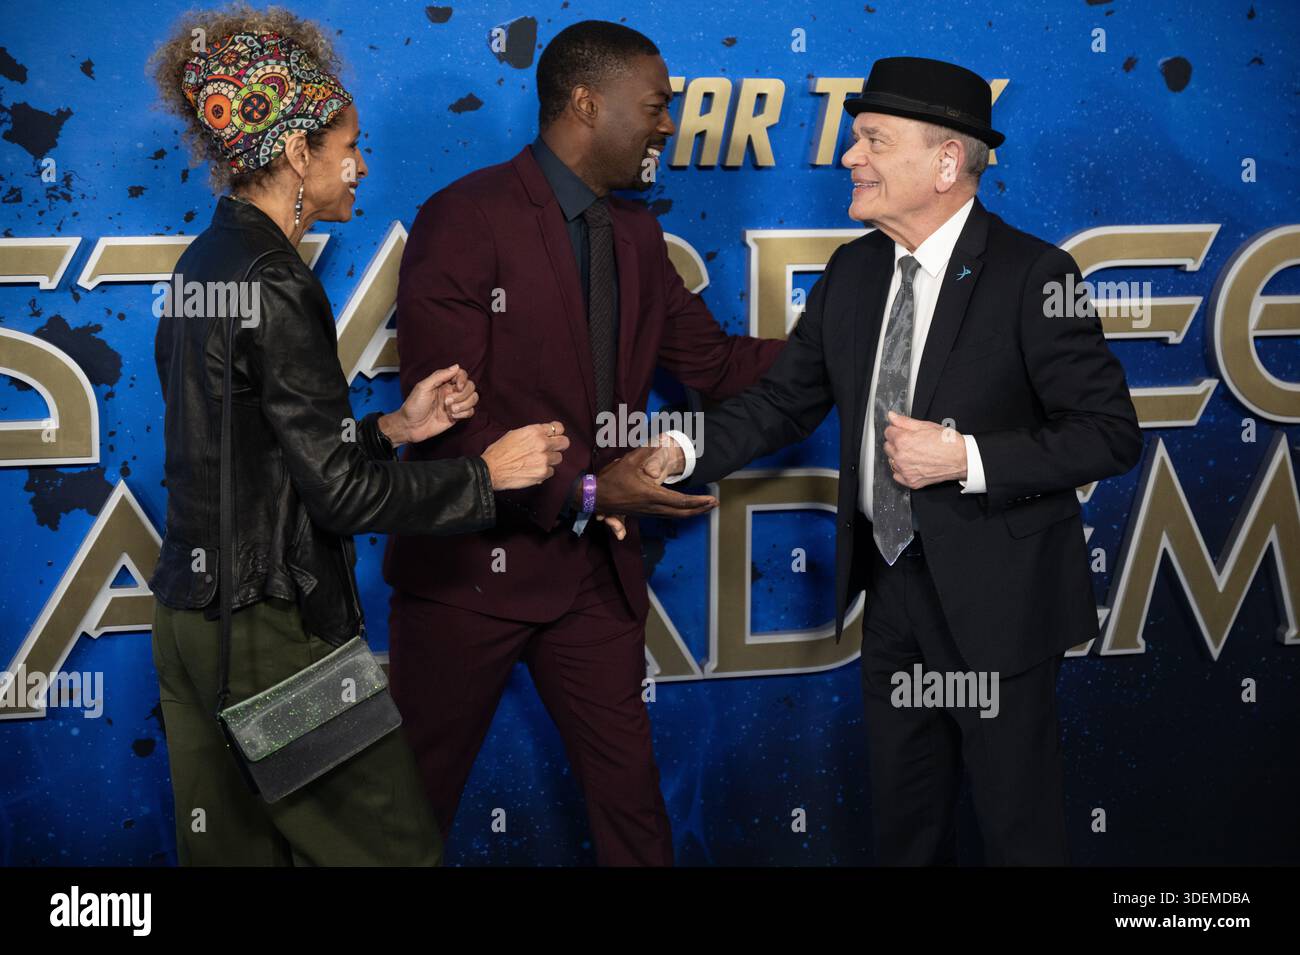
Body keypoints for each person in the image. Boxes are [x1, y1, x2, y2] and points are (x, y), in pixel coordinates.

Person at [637, 56, 1144, 864]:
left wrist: (965, 457)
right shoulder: (855, 270)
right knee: (907, 827)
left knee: (1018, 831)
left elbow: (1109, 433)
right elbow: (783, 402)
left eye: (873, 139)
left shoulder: (1034, 276)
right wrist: (679, 449)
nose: (850, 157)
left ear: (946, 162)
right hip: (892, 589)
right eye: (856, 139)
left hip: (1001, 603)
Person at [146, 5, 566, 866]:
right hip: (276, 642)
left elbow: (263, 456)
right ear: (299, 152)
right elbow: (339, 497)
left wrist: (393, 427)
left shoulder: (207, 263)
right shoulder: (277, 280)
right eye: (349, 146)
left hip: (190, 625)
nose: (362, 164)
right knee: (392, 853)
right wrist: (485, 476)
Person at [385, 20, 784, 866]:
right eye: (656, 106)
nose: (667, 125)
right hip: (467, 580)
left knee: (633, 815)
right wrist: (591, 490)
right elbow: (448, 418)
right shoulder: (465, 217)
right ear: (585, 103)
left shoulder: (636, 235)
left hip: (593, 578)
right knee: (407, 816)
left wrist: (850, 346)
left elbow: (714, 365)